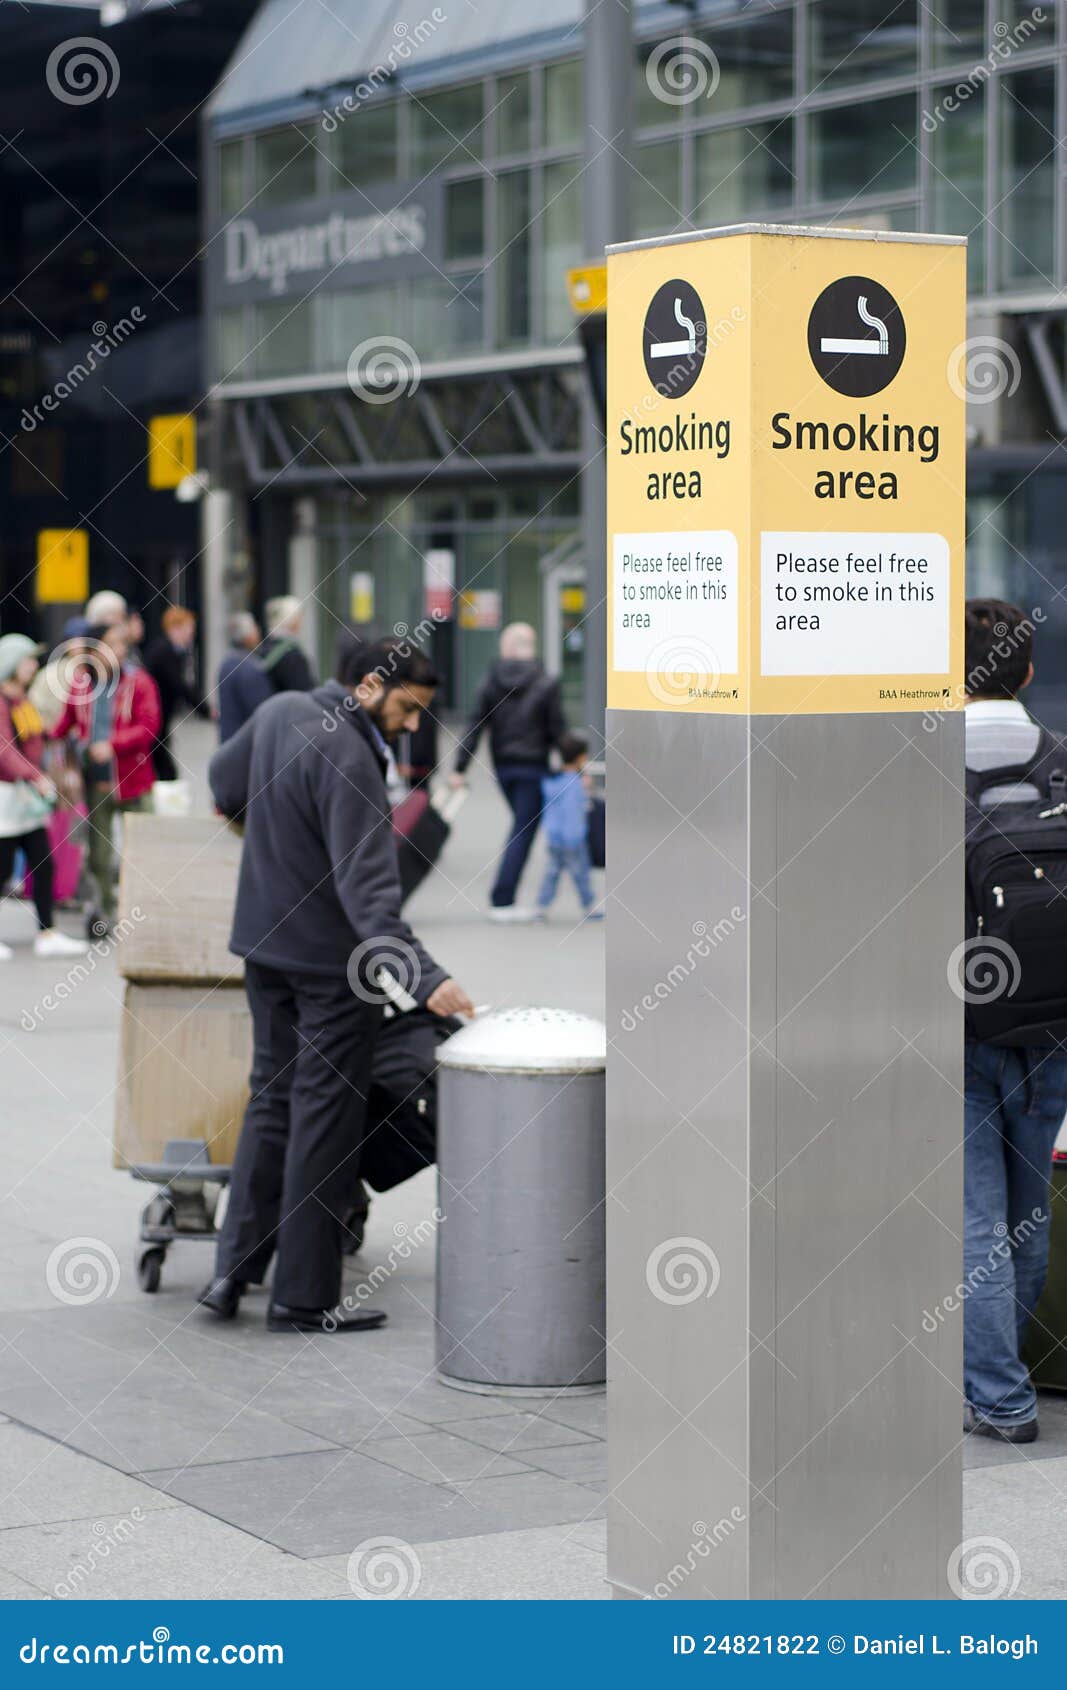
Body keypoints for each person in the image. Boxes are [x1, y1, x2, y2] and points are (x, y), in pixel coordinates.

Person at [198, 638, 474, 1334]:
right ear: (370, 685)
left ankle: (231, 1273)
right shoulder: (350, 756)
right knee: (324, 1120)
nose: (412, 725)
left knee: (271, 1102)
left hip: (264, 950)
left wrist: (274, 843)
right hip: (331, 969)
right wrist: (427, 979)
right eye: (408, 709)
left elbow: (223, 786)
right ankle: (303, 1297)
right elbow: (369, 897)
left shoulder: (279, 711)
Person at [963, 597, 1067, 1444]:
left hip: (952, 1019)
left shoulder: (912, 765)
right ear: (1027, 670)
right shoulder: (1064, 762)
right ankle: (1006, 1378)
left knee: (970, 1221)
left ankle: (998, 1400)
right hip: (1049, 1020)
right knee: (1027, 1212)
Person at [52, 620, 161, 938]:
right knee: (99, 853)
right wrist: (43, 742)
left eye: (122, 645)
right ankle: (107, 910)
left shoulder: (138, 682)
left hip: (132, 777)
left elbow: (148, 727)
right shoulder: (82, 683)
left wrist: (111, 745)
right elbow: (66, 722)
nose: (118, 651)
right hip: (96, 779)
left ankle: (143, 911)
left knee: (142, 849)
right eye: (112, 644)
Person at [451, 621, 566, 920]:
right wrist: (573, 763)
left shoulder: (491, 681)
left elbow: (475, 726)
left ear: (507, 648)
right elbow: (558, 730)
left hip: (503, 768)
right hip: (533, 767)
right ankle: (502, 899)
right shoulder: (545, 682)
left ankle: (505, 898)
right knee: (522, 831)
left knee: (520, 826)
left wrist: (459, 767)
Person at [0, 634, 88, 961]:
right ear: (11, 665)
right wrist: (35, 775)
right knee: (3, 866)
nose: (33, 666)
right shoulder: (2, 701)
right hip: (7, 798)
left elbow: (37, 737)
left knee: (43, 863)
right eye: (27, 660)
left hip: (24, 800)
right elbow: (5, 749)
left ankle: (47, 932)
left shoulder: (21, 700)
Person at [535, 731, 601, 922]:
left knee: (552, 873)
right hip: (573, 839)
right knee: (581, 873)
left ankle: (541, 907)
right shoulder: (574, 784)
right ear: (581, 757)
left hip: (554, 836)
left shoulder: (551, 780)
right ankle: (589, 906)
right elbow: (572, 812)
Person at [144, 606, 211, 780]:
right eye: (189, 628)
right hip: (155, 717)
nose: (191, 634)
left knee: (161, 760)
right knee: (163, 766)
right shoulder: (164, 651)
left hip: (161, 717)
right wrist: (205, 709)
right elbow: (180, 686)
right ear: (175, 628)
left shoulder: (173, 651)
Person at [216, 611, 272, 742]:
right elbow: (261, 709)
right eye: (255, 629)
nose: (258, 633)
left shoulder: (227, 662)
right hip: (245, 743)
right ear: (247, 636)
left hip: (229, 740)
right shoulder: (250, 667)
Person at [260, 595, 315, 694]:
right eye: (299, 619)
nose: (301, 623)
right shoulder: (293, 655)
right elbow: (305, 692)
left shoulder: (265, 647)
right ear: (292, 621)